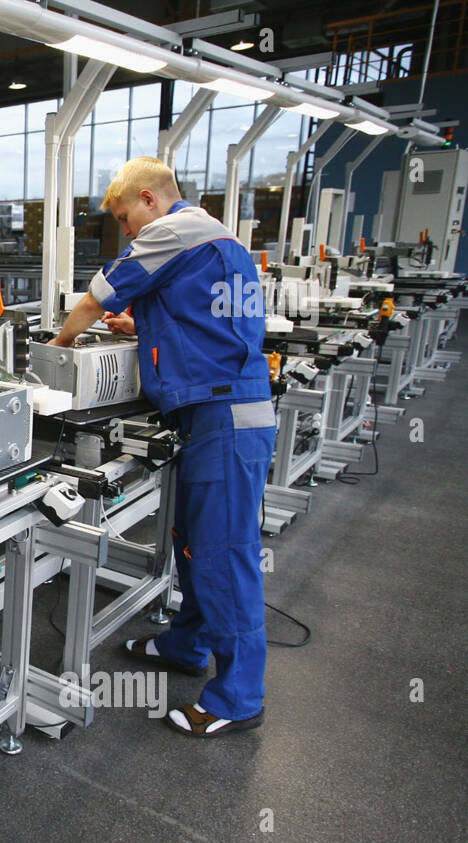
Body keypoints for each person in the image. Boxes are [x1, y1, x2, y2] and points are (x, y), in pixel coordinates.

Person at [50, 157, 276, 737]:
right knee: (196, 543)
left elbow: (95, 299)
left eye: (126, 218)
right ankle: (185, 645)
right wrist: (142, 329)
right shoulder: (218, 238)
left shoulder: (172, 231)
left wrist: (56, 347)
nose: (127, 231)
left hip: (224, 417)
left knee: (224, 554)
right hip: (220, 412)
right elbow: (200, 323)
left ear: (149, 200)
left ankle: (238, 697)